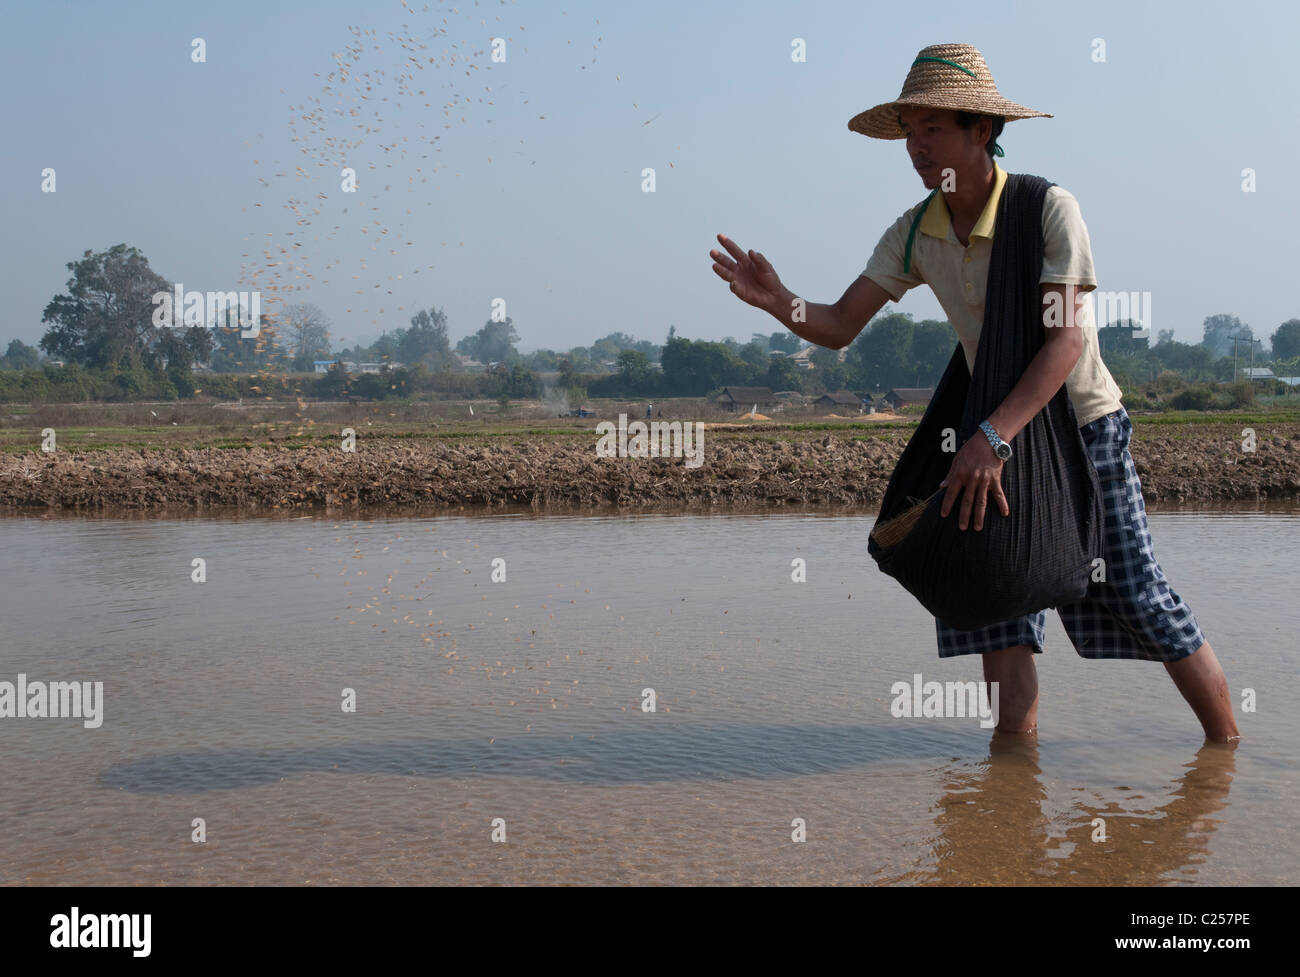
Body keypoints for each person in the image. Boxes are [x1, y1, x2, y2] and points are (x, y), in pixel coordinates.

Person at [707, 43, 1239, 743]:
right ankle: (1008, 800)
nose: (918, 148)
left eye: (934, 128)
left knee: (1138, 594)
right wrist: (780, 302)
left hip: (1079, 429)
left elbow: (1065, 343)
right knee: (999, 609)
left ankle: (1226, 754)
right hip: (992, 437)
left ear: (980, 130)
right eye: (910, 131)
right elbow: (837, 325)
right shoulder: (916, 234)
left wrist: (990, 438)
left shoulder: (1046, 209)